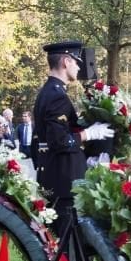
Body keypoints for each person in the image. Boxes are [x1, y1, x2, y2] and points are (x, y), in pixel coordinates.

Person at [32, 40, 113, 238]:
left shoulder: (51, 92)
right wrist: (88, 134)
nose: (78, 67)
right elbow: (59, 141)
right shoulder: (56, 96)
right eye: (76, 62)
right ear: (66, 61)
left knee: (65, 247)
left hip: (57, 177)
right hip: (64, 181)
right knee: (71, 247)